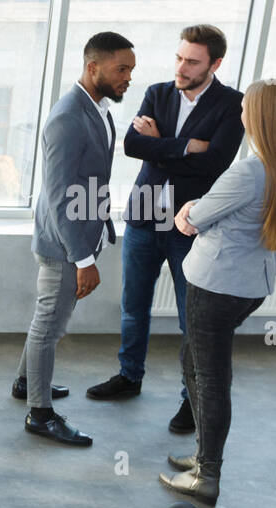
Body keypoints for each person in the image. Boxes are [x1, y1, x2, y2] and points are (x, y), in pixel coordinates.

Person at [87, 24, 244, 436]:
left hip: (189, 226)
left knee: (191, 317)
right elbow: (133, 146)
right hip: (143, 218)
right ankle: (129, 376)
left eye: (192, 61)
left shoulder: (233, 105)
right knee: (133, 306)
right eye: (179, 57)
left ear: (215, 64)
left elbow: (216, 164)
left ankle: (190, 399)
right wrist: (188, 145)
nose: (182, 66)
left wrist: (164, 145)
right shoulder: (157, 92)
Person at [162, 79, 276, 504]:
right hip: (250, 282)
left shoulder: (249, 170)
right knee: (194, 360)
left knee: (210, 377)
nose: (241, 113)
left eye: (248, 108)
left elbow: (194, 218)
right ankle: (202, 456)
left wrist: (189, 210)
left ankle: (207, 474)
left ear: (260, 117)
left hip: (217, 284)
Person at [16, 32, 135, 446]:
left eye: (131, 71)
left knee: (46, 320)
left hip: (79, 237)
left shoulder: (97, 109)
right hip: (65, 245)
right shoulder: (68, 117)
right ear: (93, 67)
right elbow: (58, 195)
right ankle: (40, 413)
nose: (128, 78)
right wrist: (83, 258)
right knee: (49, 327)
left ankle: (25, 383)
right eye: (121, 69)